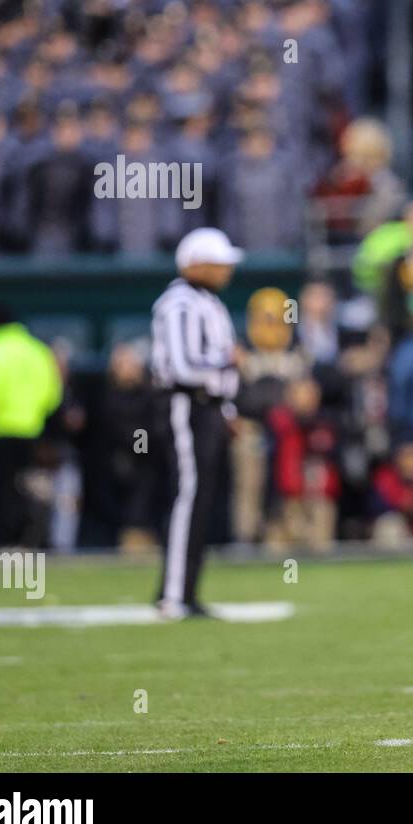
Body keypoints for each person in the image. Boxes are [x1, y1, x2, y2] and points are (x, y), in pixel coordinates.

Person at [150, 227, 243, 619]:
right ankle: (174, 594)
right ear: (196, 264)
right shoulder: (180, 303)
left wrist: (227, 410)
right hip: (186, 407)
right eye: (219, 263)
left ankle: (185, 591)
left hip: (207, 409)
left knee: (201, 499)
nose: (226, 271)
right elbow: (182, 366)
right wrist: (228, 364)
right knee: (188, 497)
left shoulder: (208, 303)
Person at [0, 304, 62, 549]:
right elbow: (52, 393)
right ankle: (31, 540)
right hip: (31, 429)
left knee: (1, 491)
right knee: (29, 487)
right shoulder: (36, 349)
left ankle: (6, 542)